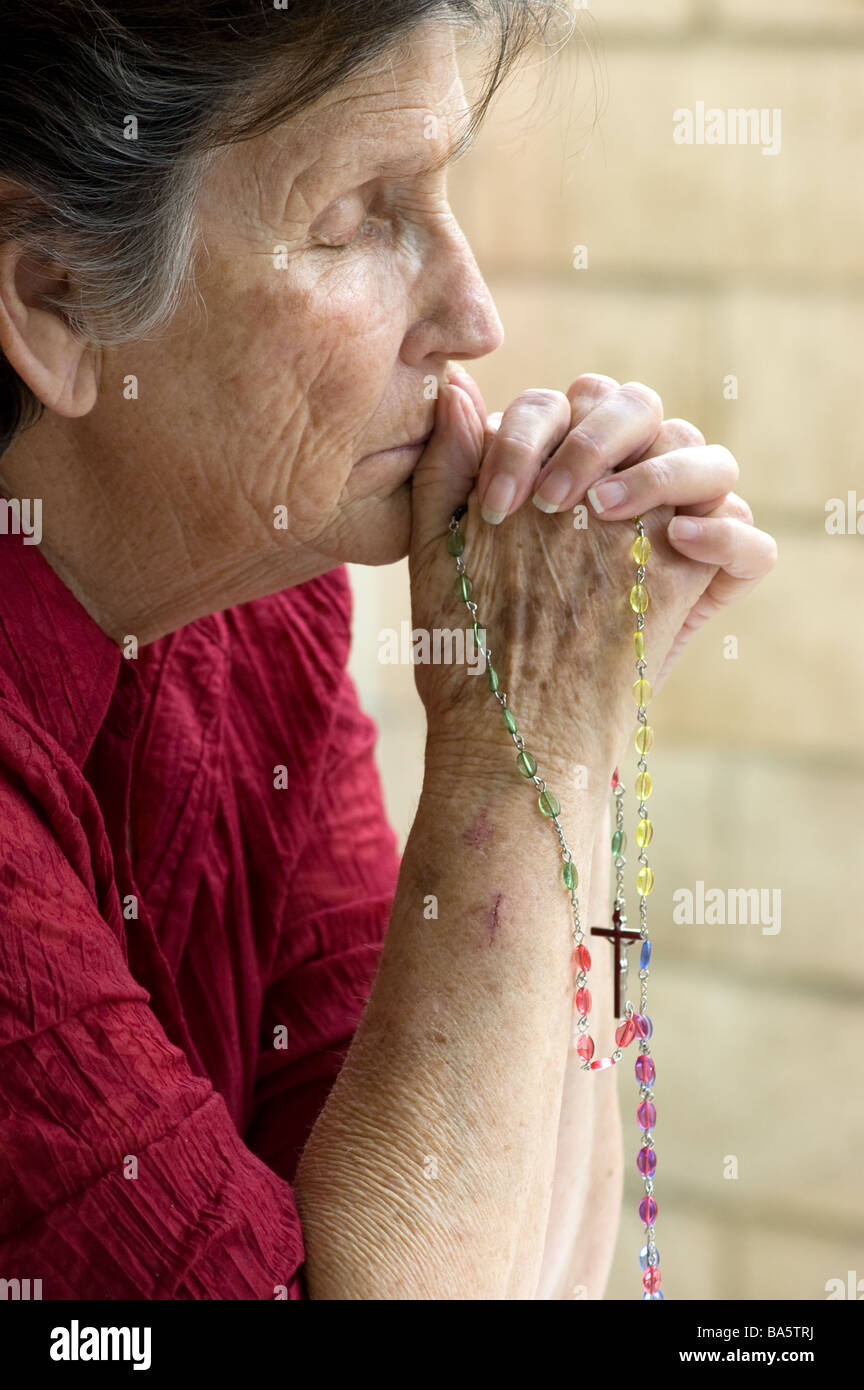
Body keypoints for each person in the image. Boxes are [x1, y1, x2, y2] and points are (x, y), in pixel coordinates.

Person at [0, 1, 776, 1299]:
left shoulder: (260, 620)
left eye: (445, 188)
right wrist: (512, 726)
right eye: (363, 215)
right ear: (54, 296)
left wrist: (564, 731)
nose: (473, 317)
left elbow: (516, 1252)